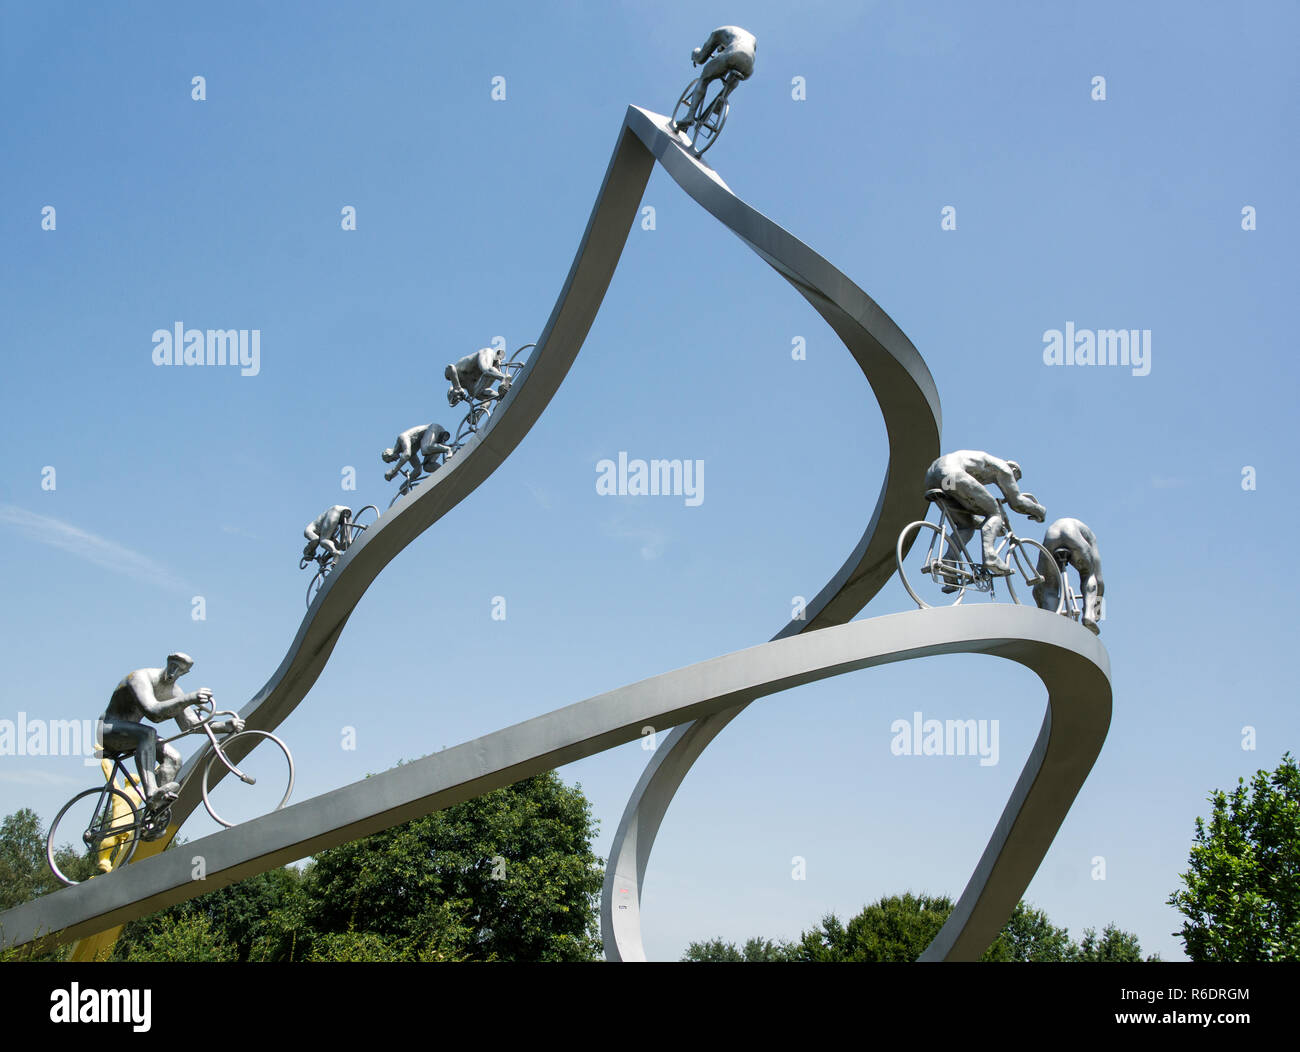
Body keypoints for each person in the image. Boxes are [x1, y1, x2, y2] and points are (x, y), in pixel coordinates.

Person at [97, 653, 242, 811]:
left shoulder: (174, 692)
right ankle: (151, 794)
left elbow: (190, 724)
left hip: (134, 735)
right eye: (173, 666)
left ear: (185, 673)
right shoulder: (139, 678)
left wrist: (224, 726)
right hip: (109, 730)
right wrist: (190, 698)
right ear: (167, 663)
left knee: (174, 758)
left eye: (180, 669)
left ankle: (154, 816)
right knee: (147, 733)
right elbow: (153, 712)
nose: (174, 672)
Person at [924, 450, 1047, 578]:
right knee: (995, 513)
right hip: (952, 474)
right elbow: (1016, 502)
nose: (1013, 483)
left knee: (966, 525)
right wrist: (1039, 511)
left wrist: (990, 526)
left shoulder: (979, 465)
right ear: (1014, 469)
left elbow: (969, 505)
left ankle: (949, 563)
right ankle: (990, 556)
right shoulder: (1004, 468)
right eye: (1015, 479)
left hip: (933, 478)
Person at [673, 26, 757, 132]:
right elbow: (745, 53)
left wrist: (694, 54)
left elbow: (701, 58)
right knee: (737, 73)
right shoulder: (752, 38)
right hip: (749, 67)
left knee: (704, 79)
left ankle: (689, 116)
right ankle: (721, 100)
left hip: (732, 54)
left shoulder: (717, 33)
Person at [1034, 518, 1104, 634]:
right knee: (1088, 574)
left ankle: (1052, 622)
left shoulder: (1055, 526)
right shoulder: (1091, 537)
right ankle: (1089, 615)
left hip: (1051, 536)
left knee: (1048, 586)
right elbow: (1099, 581)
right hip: (1074, 536)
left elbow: (1037, 588)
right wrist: (1098, 612)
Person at [382, 423, 453, 482]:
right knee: (428, 466)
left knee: (425, 448)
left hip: (434, 429)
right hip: (432, 442)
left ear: (389, 454)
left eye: (391, 460)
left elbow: (406, 455)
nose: (394, 460)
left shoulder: (402, 438)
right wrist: (405, 485)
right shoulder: (410, 452)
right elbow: (417, 470)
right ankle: (445, 472)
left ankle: (449, 450)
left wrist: (393, 470)